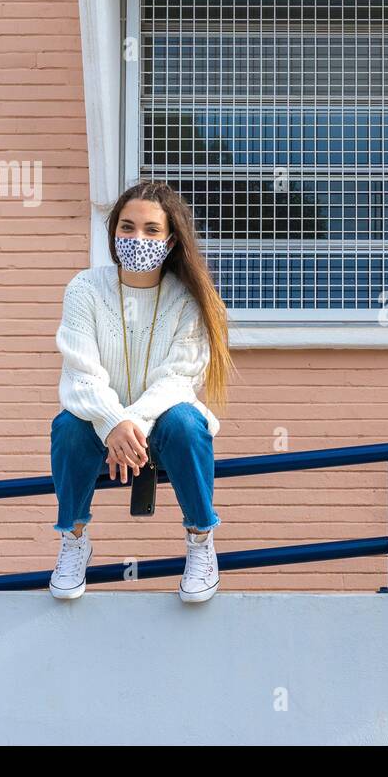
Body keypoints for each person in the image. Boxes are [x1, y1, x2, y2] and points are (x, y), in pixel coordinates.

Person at [48, 181, 235, 603]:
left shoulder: (190, 301)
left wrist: (131, 421)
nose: (137, 239)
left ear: (171, 240)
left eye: (151, 230)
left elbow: (179, 378)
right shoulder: (85, 289)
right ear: (114, 233)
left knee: (187, 420)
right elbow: (81, 372)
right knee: (67, 426)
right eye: (128, 228)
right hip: (101, 431)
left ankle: (201, 539)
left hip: (159, 429)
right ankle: (74, 540)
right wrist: (113, 422)